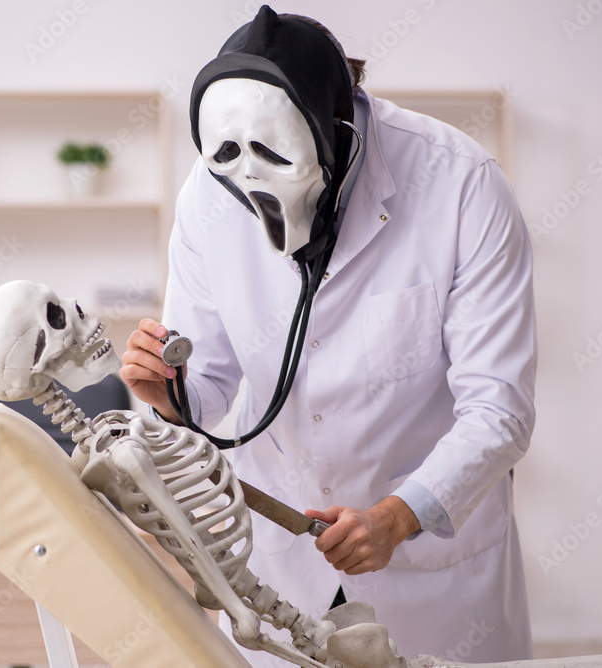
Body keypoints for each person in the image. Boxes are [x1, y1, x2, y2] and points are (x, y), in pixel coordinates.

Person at [119, 6, 536, 663]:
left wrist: (398, 516)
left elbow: (500, 410)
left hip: (432, 565)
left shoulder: (461, 185)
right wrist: (169, 393)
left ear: (340, 127)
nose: (252, 182)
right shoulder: (207, 195)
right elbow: (209, 384)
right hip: (279, 565)